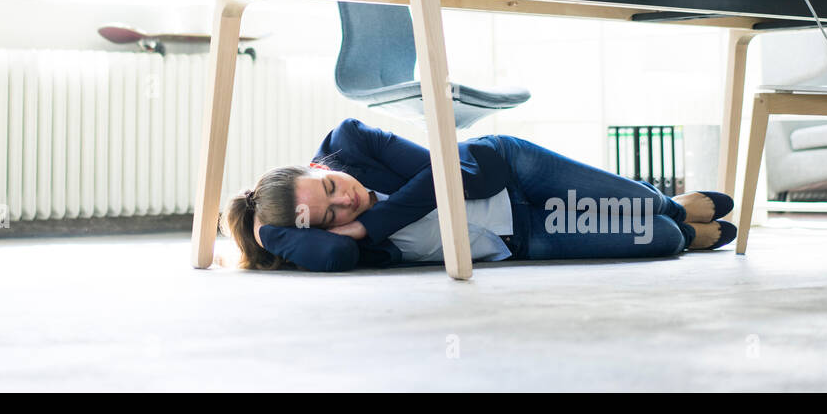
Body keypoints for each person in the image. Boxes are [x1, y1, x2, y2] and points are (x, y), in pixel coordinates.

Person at [221, 118, 735, 272]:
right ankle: (675, 223)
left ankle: (671, 201)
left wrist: (370, 225)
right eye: (330, 215)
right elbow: (331, 254)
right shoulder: (329, 243)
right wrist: (269, 231)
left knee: (651, 208)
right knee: (664, 241)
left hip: (509, 171)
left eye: (331, 187)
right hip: (520, 235)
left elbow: (450, 173)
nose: (344, 203)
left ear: (319, 166)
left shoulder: (349, 142)